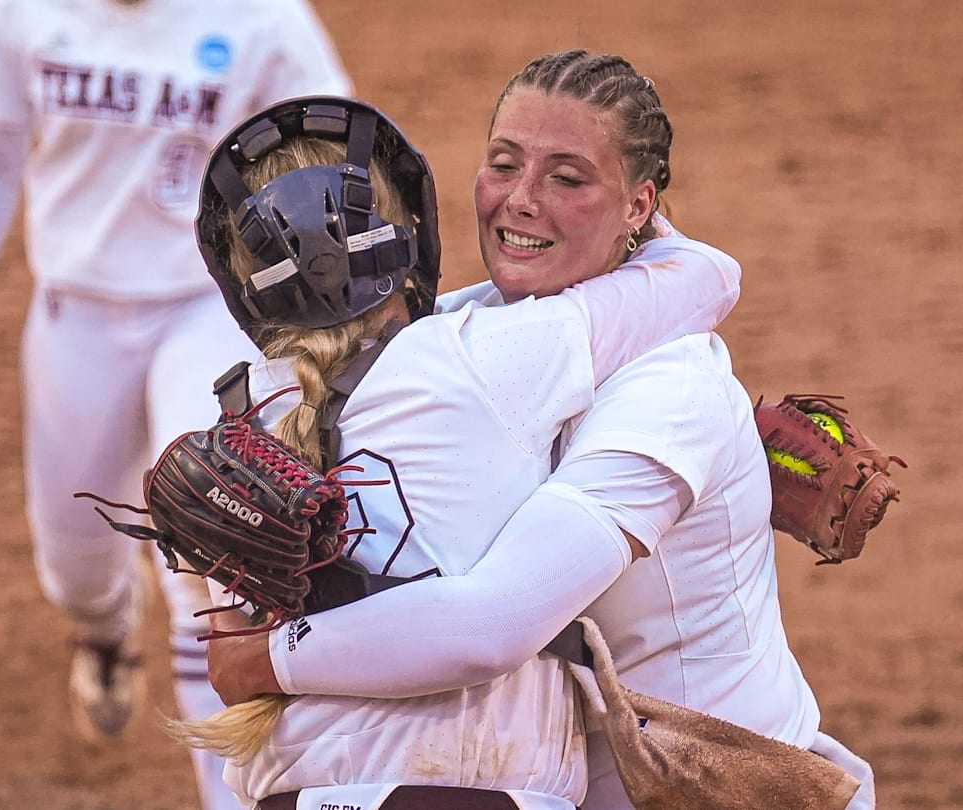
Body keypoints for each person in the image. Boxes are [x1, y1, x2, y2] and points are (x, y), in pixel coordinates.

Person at [204, 50, 877, 810]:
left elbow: (495, 619)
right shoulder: (472, 328)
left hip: (724, 786)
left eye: (567, 177)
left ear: (639, 205)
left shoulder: (673, 390)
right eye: (503, 164)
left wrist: (266, 658)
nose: (520, 200)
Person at [0, 2, 350, 807]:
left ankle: (230, 793)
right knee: (71, 571)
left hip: (213, 303)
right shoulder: (25, 14)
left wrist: (326, 313)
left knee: (210, 549)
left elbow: (338, 151)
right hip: (77, 312)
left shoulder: (261, 18)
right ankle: (102, 632)